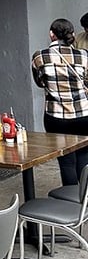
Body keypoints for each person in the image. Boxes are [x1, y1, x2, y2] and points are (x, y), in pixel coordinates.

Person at [31, 17, 88, 185]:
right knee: (84, 157)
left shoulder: (39, 57)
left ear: (51, 35)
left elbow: (40, 83)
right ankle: (85, 201)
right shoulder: (83, 55)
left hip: (56, 117)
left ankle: (70, 202)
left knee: (66, 161)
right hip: (83, 114)